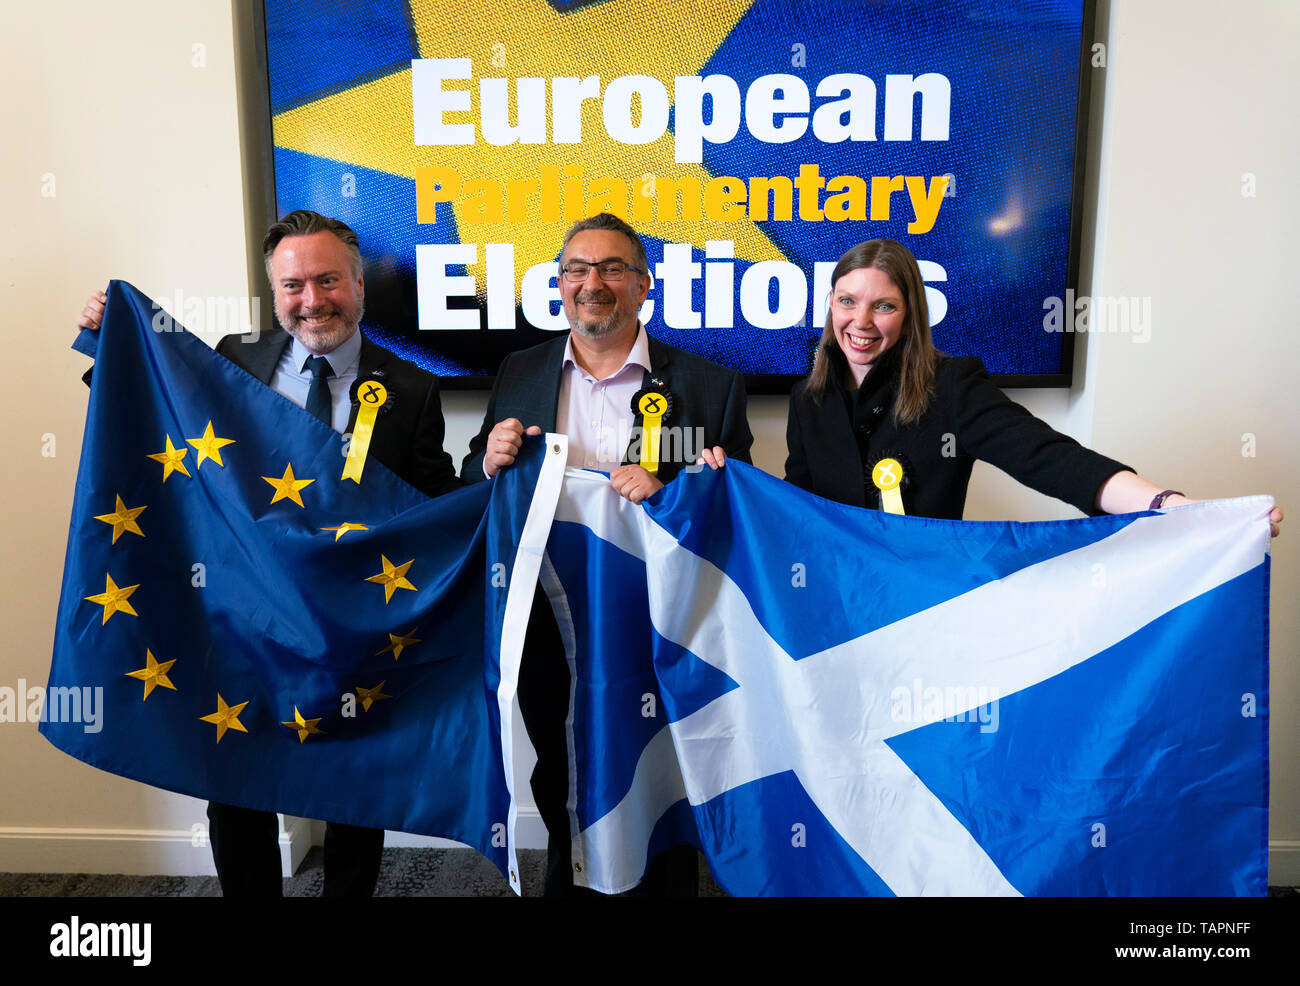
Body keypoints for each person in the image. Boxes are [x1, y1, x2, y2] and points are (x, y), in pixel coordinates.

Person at [76, 210, 462, 897]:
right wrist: (113, 343)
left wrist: (488, 486)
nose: (311, 301)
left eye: (326, 281)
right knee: (236, 788)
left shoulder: (412, 387)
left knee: (353, 793)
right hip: (244, 625)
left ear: (359, 285)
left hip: (348, 630)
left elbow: (430, 500)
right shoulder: (234, 357)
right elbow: (159, 415)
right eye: (293, 286)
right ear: (274, 291)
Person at [462, 212, 753, 895]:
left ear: (645, 286)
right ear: (560, 285)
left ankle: (666, 883)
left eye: (613, 269)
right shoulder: (520, 370)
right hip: (545, 615)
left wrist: (674, 488)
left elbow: (736, 507)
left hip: (659, 619)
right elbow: (480, 470)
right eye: (577, 270)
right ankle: (572, 877)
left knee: (661, 765)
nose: (593, 284)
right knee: (556, 761)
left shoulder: (710, 383)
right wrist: (487, 458)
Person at [785, 238, 1283, 536]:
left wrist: (1175, 509)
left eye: (884, 306)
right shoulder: (808, 395)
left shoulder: (951, 387)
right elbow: (792, 507)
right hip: (832, 607)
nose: (862, 321)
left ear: (912, 311)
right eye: (848, 301)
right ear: (831, 302)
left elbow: (1052, 460)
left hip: (920, 608)